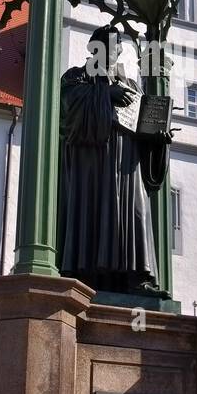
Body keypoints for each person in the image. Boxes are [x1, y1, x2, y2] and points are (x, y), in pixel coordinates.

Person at [57, 26, 170, 296]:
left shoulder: (129, 84)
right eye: (106, 45)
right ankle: (85, 274)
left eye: (116, 45)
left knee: (135, 211)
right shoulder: (76, 77)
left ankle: (136, 278)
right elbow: (67, 108)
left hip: (127, 163)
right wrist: (104, 95)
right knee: (92, 209)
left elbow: (143, 124)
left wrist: (157, 138)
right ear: (92, 49)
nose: (112, 50)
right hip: (92, 159)